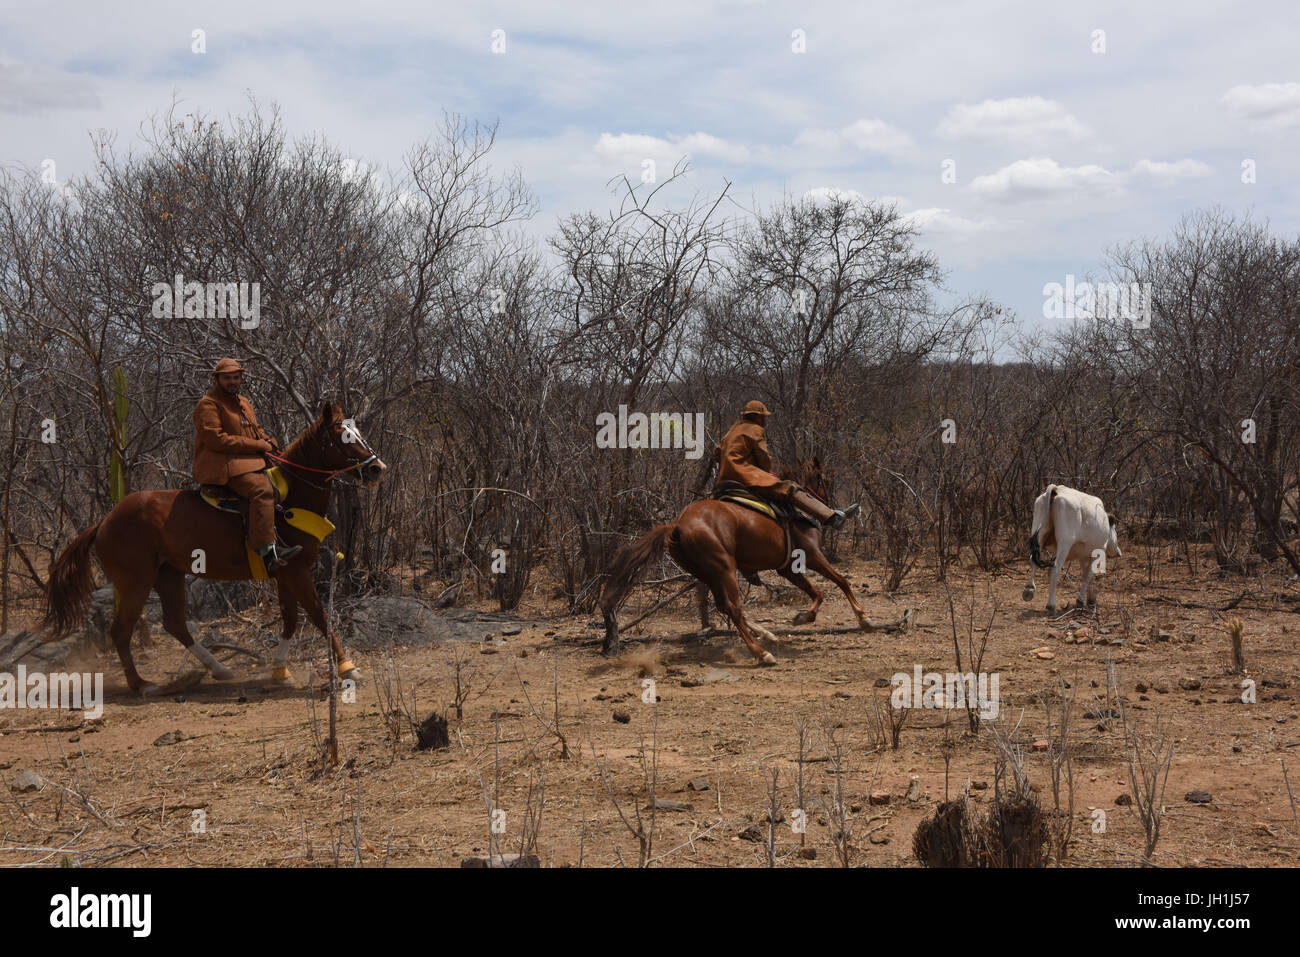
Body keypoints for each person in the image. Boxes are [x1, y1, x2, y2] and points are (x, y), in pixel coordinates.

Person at [192, 358, 302, 572]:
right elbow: (217, 439)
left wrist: (268, 441)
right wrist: (256, 444)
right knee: (262, 490)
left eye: (235, 377)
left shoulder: (243, 401)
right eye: (227, 378)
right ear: (217, 379)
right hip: (223, 465)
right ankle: (268, 551)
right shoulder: (208, 404)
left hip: (246, 461)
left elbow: (255, 429)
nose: (232, 382)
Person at [713, 400, 858, 528]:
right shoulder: (756, 429)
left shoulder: (732, 430)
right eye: (764, 417)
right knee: (791, 488)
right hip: (747, 479)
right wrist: (762, 471)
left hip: (724, 481)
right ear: (757, 416)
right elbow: (763, 458)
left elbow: (717, 454)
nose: (765, 420)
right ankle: (832, 517)